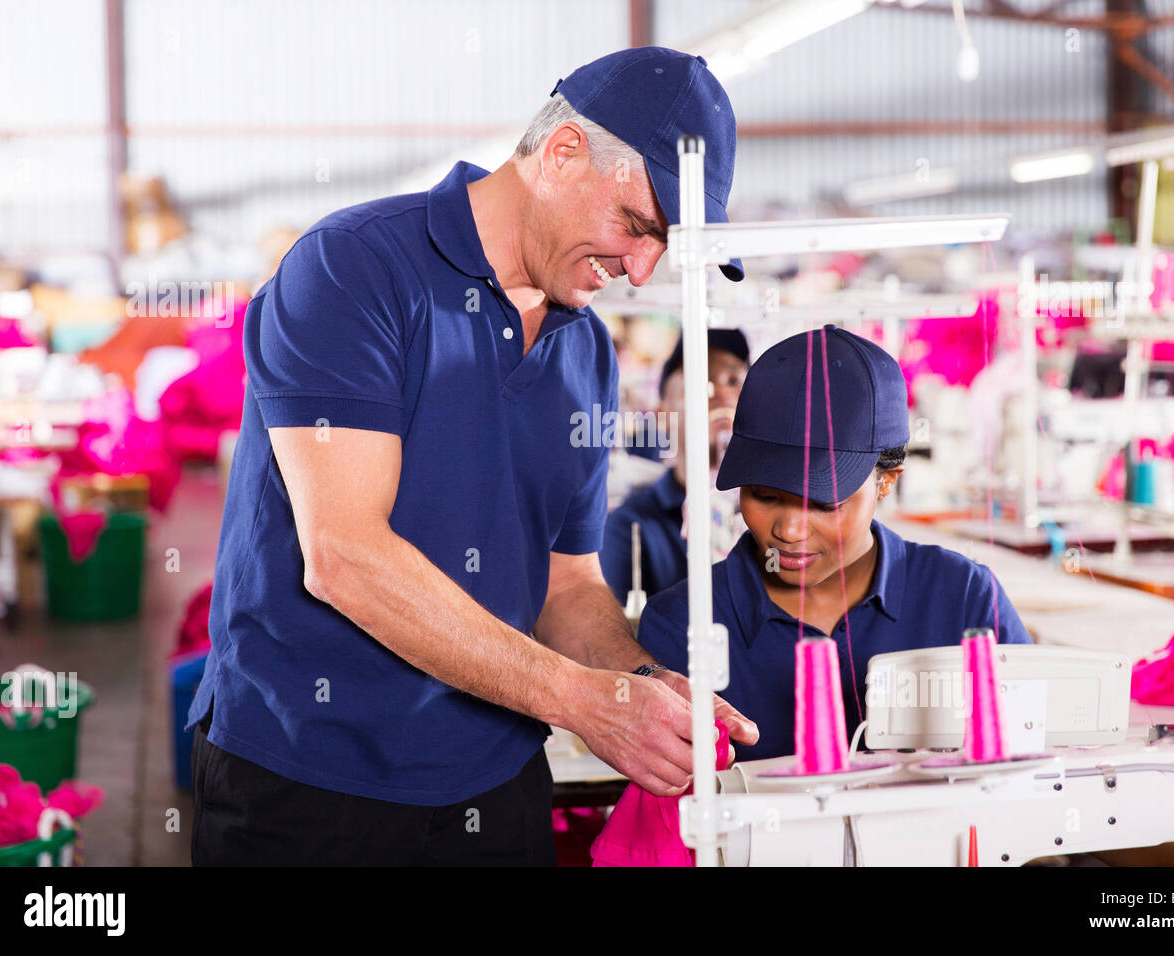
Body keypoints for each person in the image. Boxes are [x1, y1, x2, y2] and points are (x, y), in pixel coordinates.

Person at [186, 46, 758, 867]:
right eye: (637, 226)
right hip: (308, 783)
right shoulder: (353, 271)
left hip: (495, 786)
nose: (639, 269)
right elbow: (344, 554)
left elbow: (569, 582)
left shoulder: (585, 354)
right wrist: (583, 703)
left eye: (661, 247)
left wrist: (635, 682)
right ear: (563, 154)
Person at [638, 326, 1030, 763]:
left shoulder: (965, 602)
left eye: (824, 503)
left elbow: (1030, 766)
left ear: (887, 482)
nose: (789, 530)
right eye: (764, 496)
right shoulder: (681, 626)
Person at [600, 329, 749, 604]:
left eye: (734, 380)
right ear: (662, 416)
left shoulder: (773, 513)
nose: (723, 394)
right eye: (700, 384)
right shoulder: (631, 526)